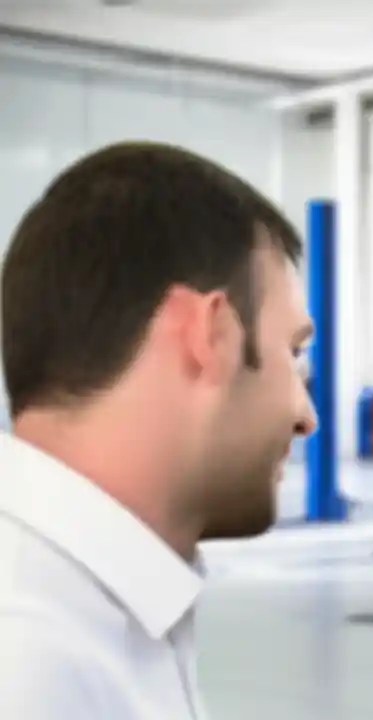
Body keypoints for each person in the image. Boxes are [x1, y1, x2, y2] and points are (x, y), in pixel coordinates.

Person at [0, 142, 317, 717]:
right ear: (208, 334)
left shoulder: (101, 606)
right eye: (292, 354)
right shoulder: (30, 662)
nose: (306, 416)